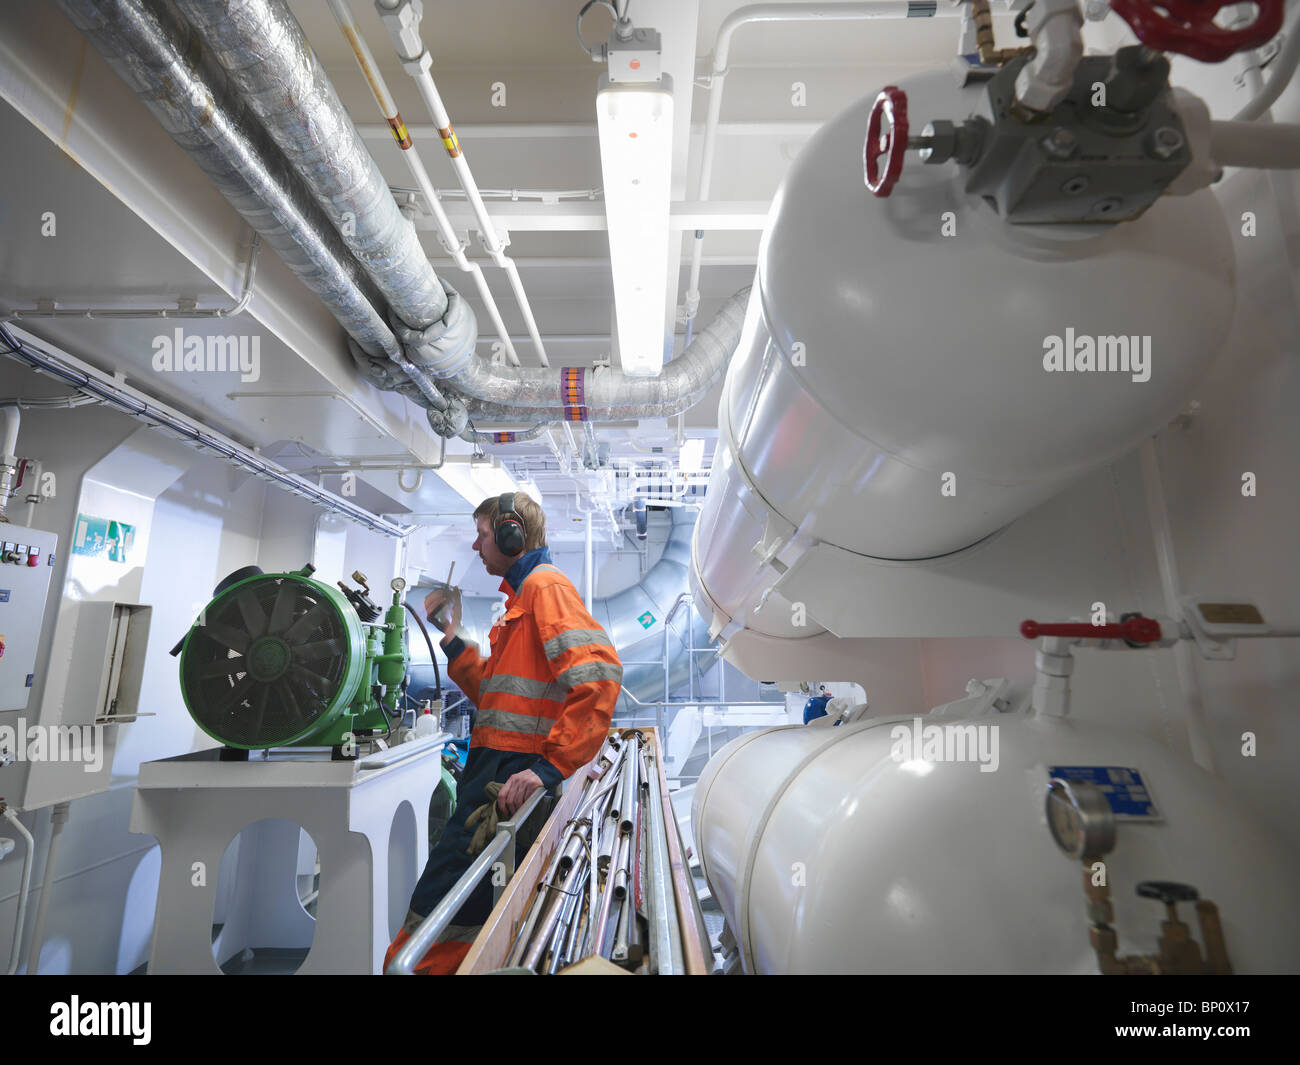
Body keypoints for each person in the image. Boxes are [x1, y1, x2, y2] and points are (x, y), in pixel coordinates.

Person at [384, 491, 623, 974]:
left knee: (441, 910)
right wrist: (451, 639)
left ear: (513, 534)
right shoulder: (523, 600)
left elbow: (599, 677)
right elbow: (498, 695)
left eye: (483, 534)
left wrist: (548, 767)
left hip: (506, 778)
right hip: (492, 772)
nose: (476, 546)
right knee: (466, 908)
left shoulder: (545, 588)